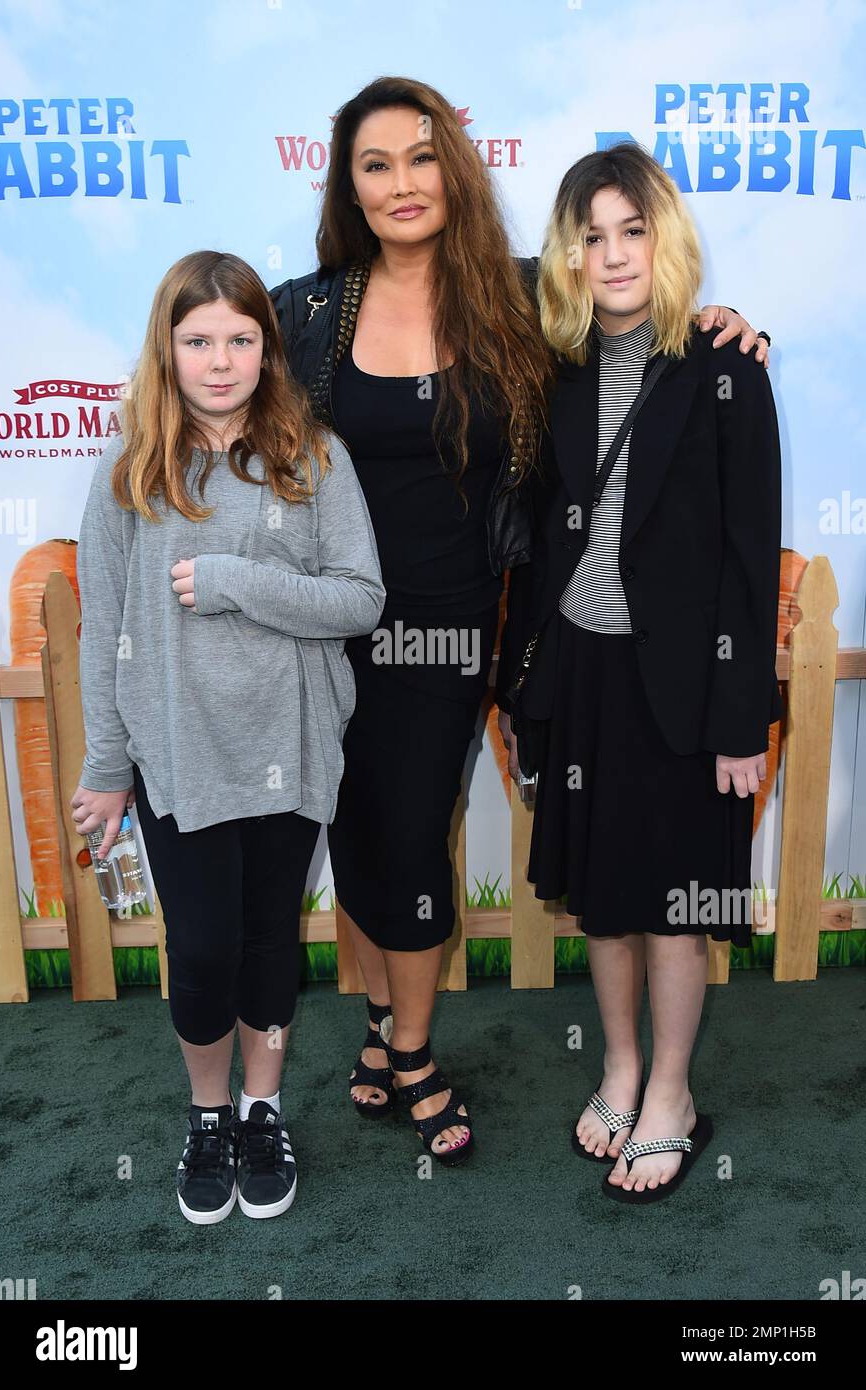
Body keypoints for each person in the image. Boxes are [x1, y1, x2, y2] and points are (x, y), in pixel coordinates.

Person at [270, 75, 768, 1166]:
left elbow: (644, 314)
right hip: (320, 620)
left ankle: (415, 1052)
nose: (402, 182)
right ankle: (377, 1027)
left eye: (419, 156)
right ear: (348, 187)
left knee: (412, 830)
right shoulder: (304, 312)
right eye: (374, 163)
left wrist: (734, 321)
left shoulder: (513, 297)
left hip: (449, 624)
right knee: (353, 832)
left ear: (452, 166)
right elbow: (224, 402)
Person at [70, 250, 385, 1223]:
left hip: (287, 746)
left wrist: (239, 579)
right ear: (167, 347)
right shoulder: (130, 472)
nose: (219, 360)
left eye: (240, 339)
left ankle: (262, 1107)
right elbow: (104, 629)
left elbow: (360, 601)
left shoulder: (315, 458)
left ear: (266, 345)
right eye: (198, 339)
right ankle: (208, 1116)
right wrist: (106, 768)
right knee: (202, 949)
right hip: (181, 756)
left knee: (267, 948)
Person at [496, 142, 782, 1203]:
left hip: (685, 687)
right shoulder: (551, 367)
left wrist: (739, 719)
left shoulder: (727, 367)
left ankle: (671, 1093)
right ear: (565, 253)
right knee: (602, 899)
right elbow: (533, 542)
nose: (612, 253)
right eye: (589, 233)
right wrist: (528, 695)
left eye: (632, 228)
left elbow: (752, 555)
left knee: (671, 905)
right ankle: (618, 1068)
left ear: (663, 237)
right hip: (580, 674)